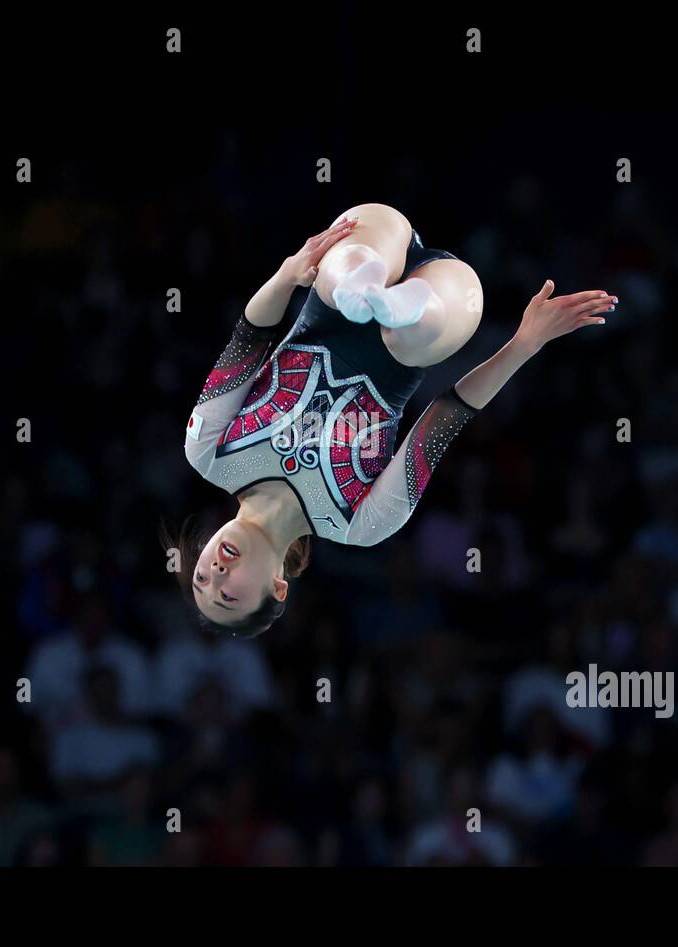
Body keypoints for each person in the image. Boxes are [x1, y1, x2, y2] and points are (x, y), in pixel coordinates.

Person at [174, 203, 616, 636]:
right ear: (277, 587)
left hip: (349, 273)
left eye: (200, 579)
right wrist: (525, 343)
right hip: (434, 310)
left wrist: (290, 273)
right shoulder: (357, 524)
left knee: (342, 275)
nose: (215, 573)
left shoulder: (210, 454)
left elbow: (249, 338)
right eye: (227, 595)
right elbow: (446, 416)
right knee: (410, 338)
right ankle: (396, 305)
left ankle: (364, 289)